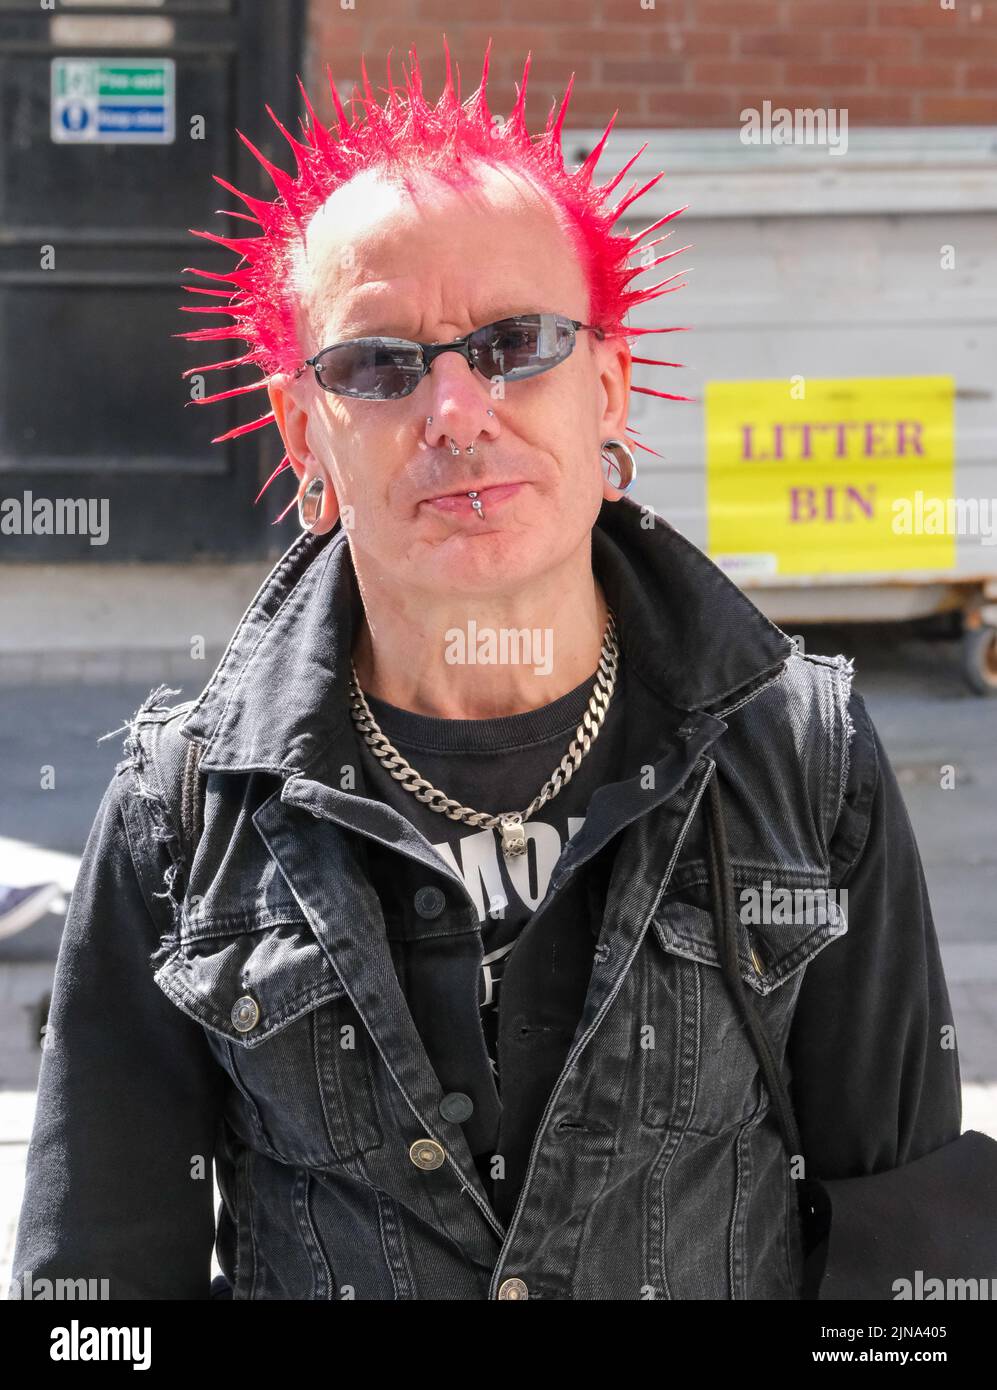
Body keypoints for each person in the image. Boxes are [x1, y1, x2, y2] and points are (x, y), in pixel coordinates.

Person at [11, 41, 961, 1300]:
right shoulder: (181, 813)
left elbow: (907, 1263)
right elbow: (98, 1297)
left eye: (515, 343)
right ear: (305, 431)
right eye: (378, 365)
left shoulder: (798, 757)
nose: (456, 412)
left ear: (609, 387)